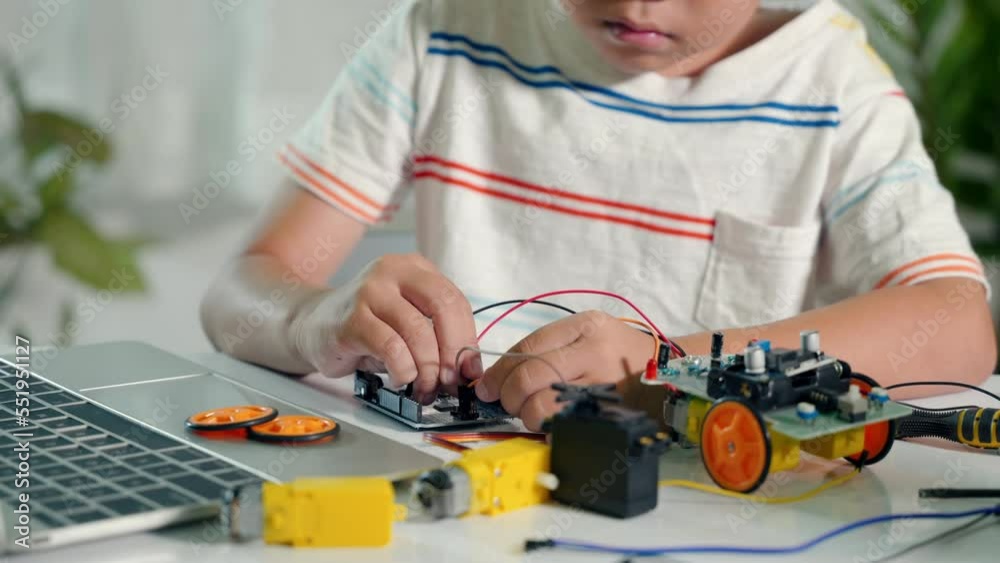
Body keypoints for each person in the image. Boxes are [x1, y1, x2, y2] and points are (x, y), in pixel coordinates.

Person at [201, 0, 996, 431]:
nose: (638, 3)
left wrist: (664, 362)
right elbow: (236, 297)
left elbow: (957, 324)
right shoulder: (444, 31)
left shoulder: (834, 89)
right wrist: (316, 317)